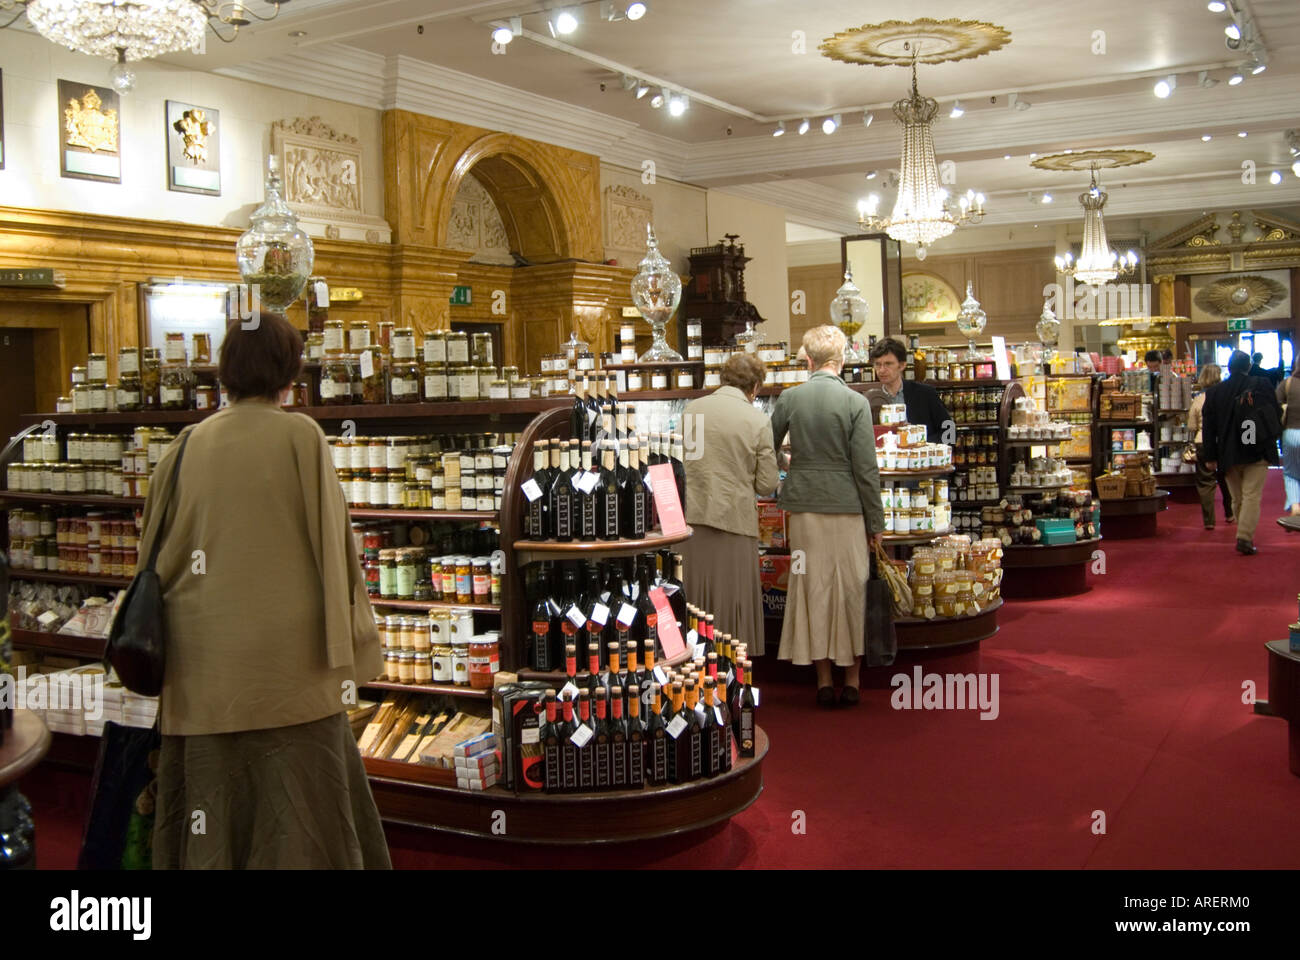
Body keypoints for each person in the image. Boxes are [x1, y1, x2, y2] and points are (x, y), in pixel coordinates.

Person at [142, 312, 389, 869]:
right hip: (291, 674)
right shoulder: (300, 435)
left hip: (201, 674)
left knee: (211, 817)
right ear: (290, 371)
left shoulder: (183, 446)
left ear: (224, 373)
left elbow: (150, 560)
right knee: (303, 817)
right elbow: (335, 549)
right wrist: (353, 647)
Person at [771, 325, 886, 708]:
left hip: (803, 511)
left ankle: (821, 679)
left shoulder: (790, 398)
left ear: (807, 359)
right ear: (842, 360)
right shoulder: (855, 402)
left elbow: (765, 445)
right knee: (850, 587)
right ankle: (851, 678)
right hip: (848, 511)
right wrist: (876, 524)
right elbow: (866, 470)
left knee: (809, 585)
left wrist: (787, 464)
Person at [680, 353, 779, 652]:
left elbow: (688, 462)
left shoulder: (692, 410)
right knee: (732, 601)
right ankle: (734, 673)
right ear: (756, 387)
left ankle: (696, 666)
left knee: (696, 600)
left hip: (692, 521)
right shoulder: (757, 420)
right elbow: (767, 483)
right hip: (735, 523)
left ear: (722, 379)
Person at [1201, 349, 1283, 555]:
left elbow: (1208, 428)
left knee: (1237, 498)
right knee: (1251, 496)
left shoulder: (1214, 393)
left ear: (1228, 368)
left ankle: (1243, 534)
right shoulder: (1262, 385)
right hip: (1257, 448)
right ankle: (1244, 537)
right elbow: (1276, 411)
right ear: (1248, 366)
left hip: (1228, 452)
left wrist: (1209, 456)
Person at [869, 337, 952, 442]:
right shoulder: (872, 399)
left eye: (888, 364)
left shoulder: (925, 394)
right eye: (877, 364)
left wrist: (920, 442)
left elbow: (950, 432)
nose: (881, 370)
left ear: (902, 365)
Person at [1187, 364, 1234, 529]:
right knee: (1226, 478)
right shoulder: (1228, 397)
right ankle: (1230, 513)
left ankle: (1209, 521)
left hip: (1202, 442)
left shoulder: (1198, 400)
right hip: (1223, 442)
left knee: (1205, 482)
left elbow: (1192, 426)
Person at [1277, 356, 1300, 517]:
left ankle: (1295, 505)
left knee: (1291, 473)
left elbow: (1275, 406)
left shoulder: (1287, 383)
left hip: (1291, 432)